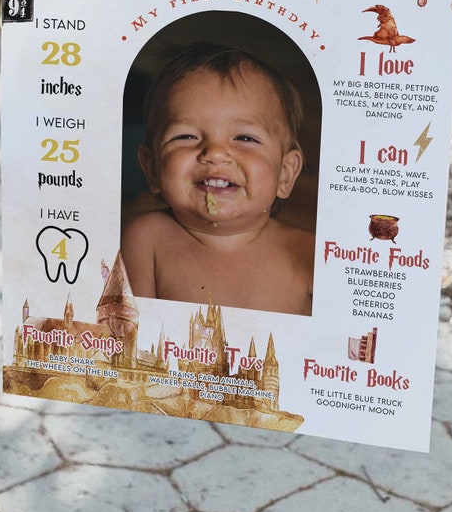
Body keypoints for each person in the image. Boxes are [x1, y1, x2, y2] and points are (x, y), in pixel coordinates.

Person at [121, 43, 314, 315]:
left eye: (244, 138)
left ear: (284, 174)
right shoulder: (146, 239)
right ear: (152, 168)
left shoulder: (308, 253)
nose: (215, 153)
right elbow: (128, 330)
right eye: (186, 136)